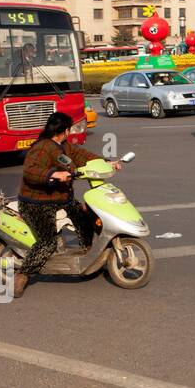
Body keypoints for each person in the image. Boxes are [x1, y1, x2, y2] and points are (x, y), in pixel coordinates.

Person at [13, 112, 121, 298]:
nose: (70, 131)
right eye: (69, 128)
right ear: (64, 130)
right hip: (37, 203)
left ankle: (89, 255)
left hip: (60, 198)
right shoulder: (42, 147)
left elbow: (81, 155)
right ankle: (22, 274)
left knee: (85, 216)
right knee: (47, 243)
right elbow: (30, 170)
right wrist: (53, 175)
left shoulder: (63, 145)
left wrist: (106, 163)